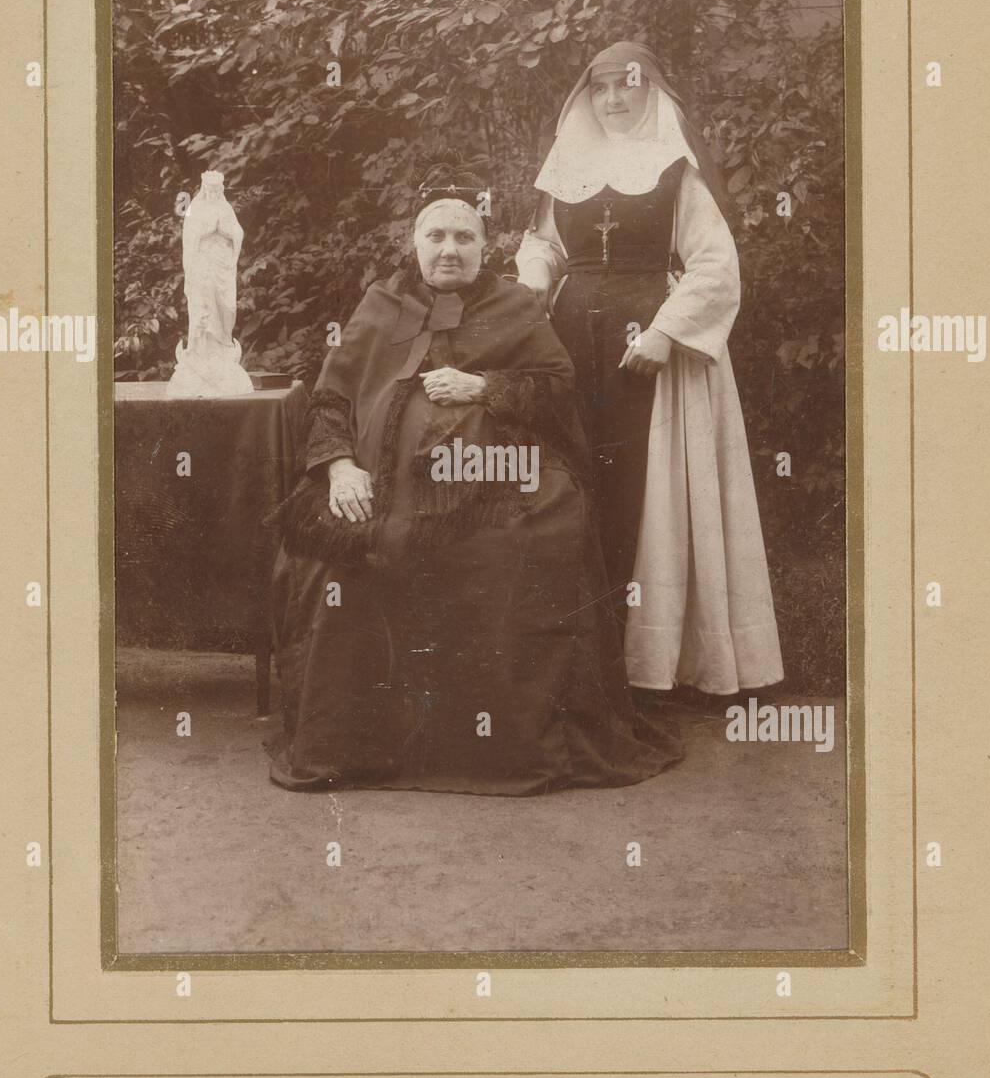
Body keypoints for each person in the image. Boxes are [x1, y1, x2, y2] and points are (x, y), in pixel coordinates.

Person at [264, 168, 682, 795]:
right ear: (415, 243)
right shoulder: (382, 303)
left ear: (486, 247)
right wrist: (337, 466)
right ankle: (359, 744)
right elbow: (331, 395)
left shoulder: (514, 305)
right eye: (436, 237)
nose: (450, 250)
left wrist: (485, 387)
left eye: (464, 237)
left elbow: (555, 388)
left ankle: (498, 744)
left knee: (525, 544)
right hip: (380, 484)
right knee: (348, 561)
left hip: (499, 481)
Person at [515, 42, 783, 698]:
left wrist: (666, 331)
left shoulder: (674, 170)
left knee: (654, 495)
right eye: (600, 88)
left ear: (649, 92)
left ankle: (657, 665)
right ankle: (589, 660)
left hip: (652, 360)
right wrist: (525, 299)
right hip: (573, 345)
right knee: (580, 485)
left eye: (624, 87)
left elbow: (715, 264)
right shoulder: (569, 168)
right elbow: (542, 247)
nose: (612, 100)